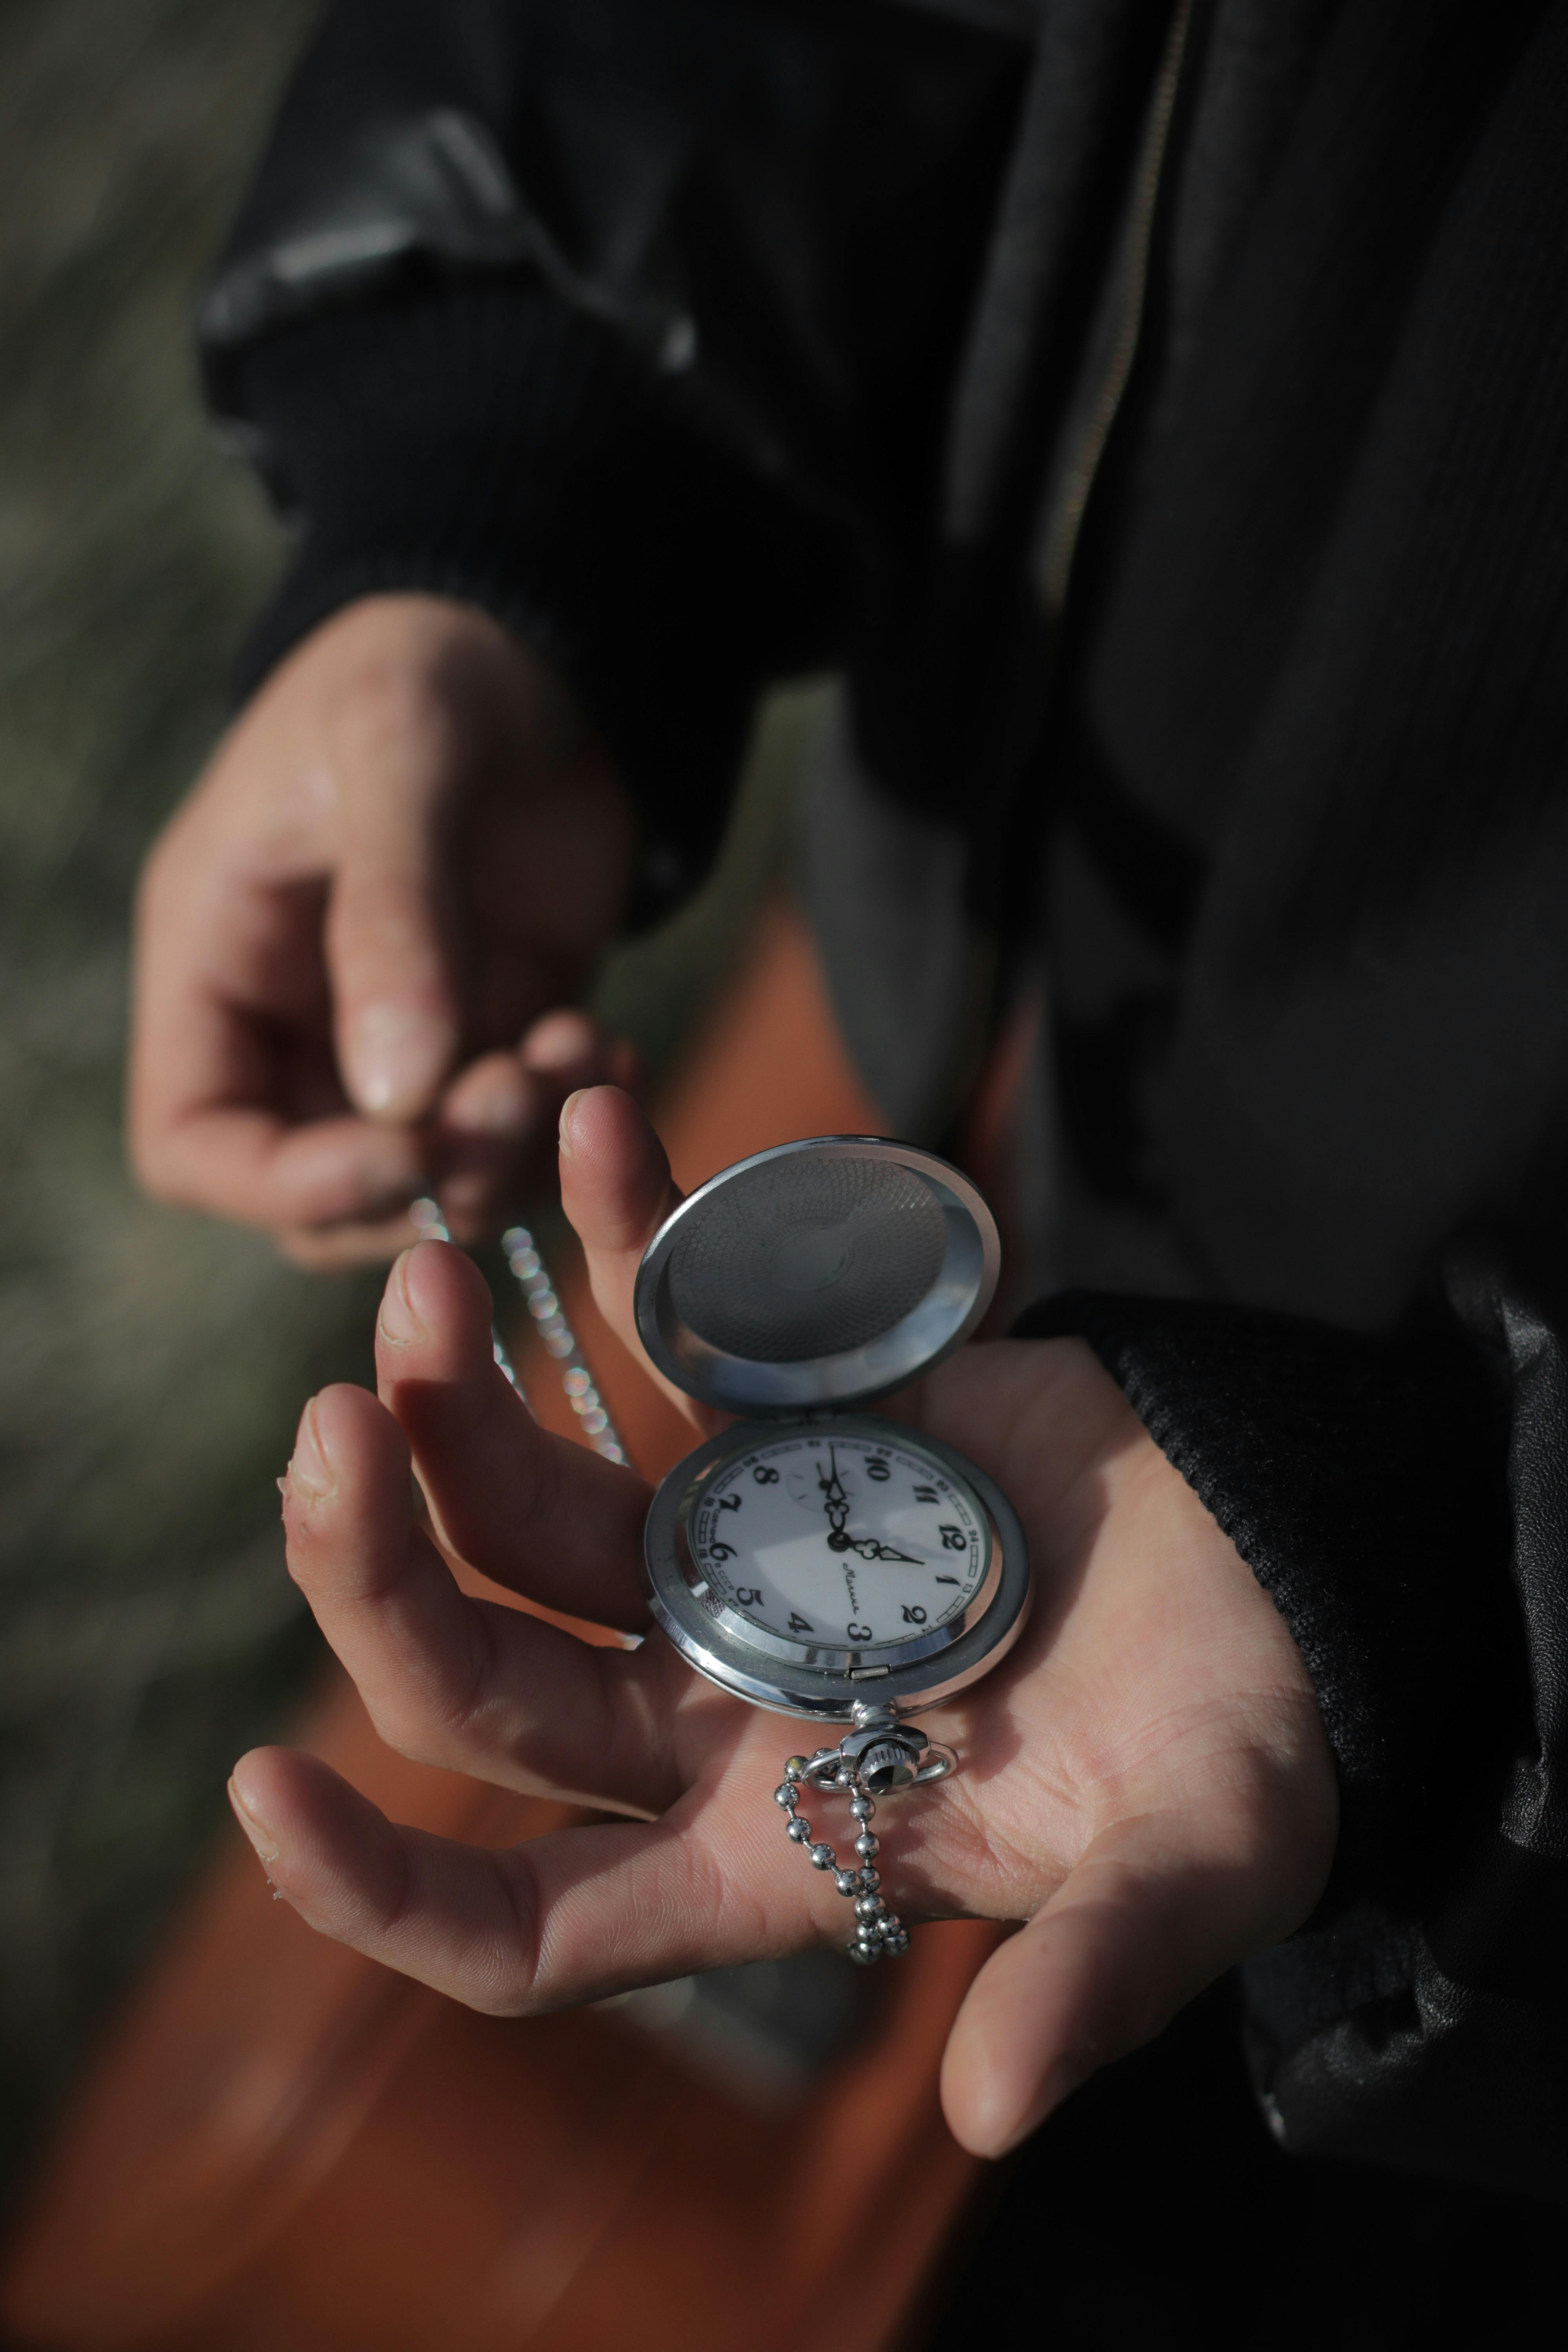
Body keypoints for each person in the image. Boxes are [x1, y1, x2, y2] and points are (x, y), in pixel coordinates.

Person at [130, 0, 1568, 2196]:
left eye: (855, 1548)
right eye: (849, 1547)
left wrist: (1471, 1539)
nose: (851, 1547)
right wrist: (518, 466)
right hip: (1012, 1041)